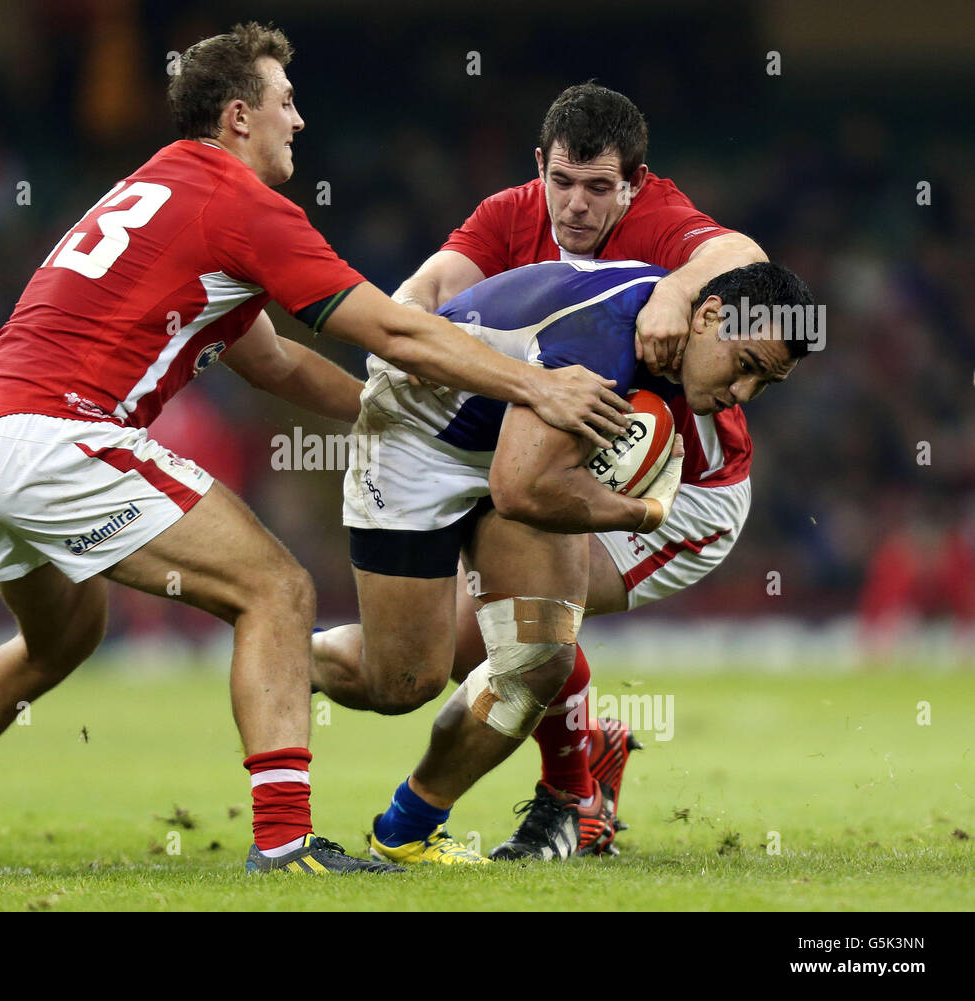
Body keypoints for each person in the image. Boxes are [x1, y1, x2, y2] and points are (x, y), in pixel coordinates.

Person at [0, 22, 627, 876]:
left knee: (56, 642)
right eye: (286, 102)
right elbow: (390, 327)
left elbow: (272, 361)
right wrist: (535, 387)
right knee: (275, 588)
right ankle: (282, 841)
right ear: (240, 116)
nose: (299, 121)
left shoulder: (162, 188)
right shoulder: (241, 205)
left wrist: (389, 420)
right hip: (61, 436)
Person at [314, 82, 772, 858]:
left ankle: (569, 796)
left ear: (634, 181)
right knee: (455, 654)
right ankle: (583, 759)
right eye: (563, 181)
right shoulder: (511, 213)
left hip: (683, 487)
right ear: (540, 167)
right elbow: (428, 286)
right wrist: (402, 333)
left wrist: (677, 286)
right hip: (545, 463)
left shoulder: (659, 219)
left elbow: (744, 257)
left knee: (522, 634)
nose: (578, 206)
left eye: (600, 188)